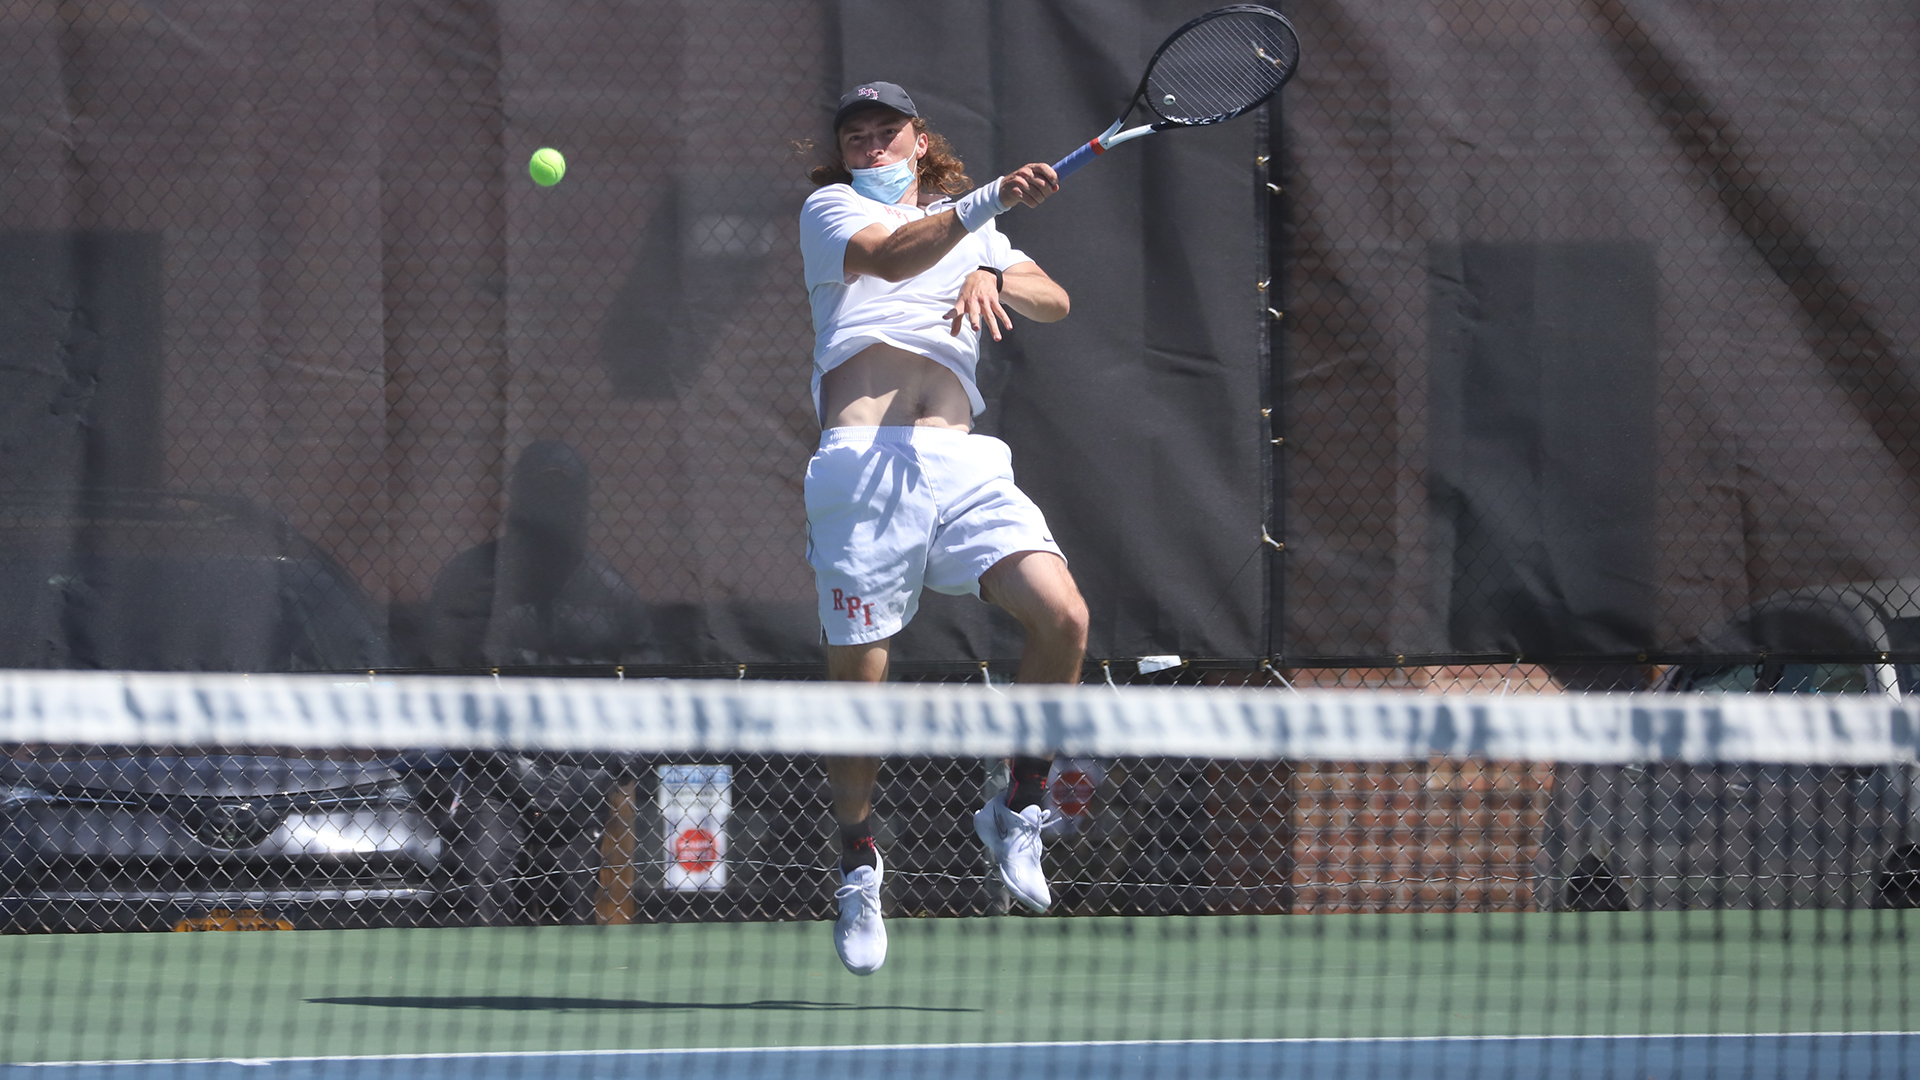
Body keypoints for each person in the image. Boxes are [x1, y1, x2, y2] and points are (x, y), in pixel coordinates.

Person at [799, 81, 1088, 975]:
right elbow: (889, 261)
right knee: (862, 693)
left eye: (888, 134)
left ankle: (1020, 804)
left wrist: (996, 268)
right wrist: (988, 202)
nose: (872, 148)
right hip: (859, 469)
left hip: (963, 463)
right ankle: (858, 860)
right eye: (858, 138)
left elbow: (1056, 301)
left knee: (1063, 617)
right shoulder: (830, 208)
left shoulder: (977, 231)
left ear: (921, 141)